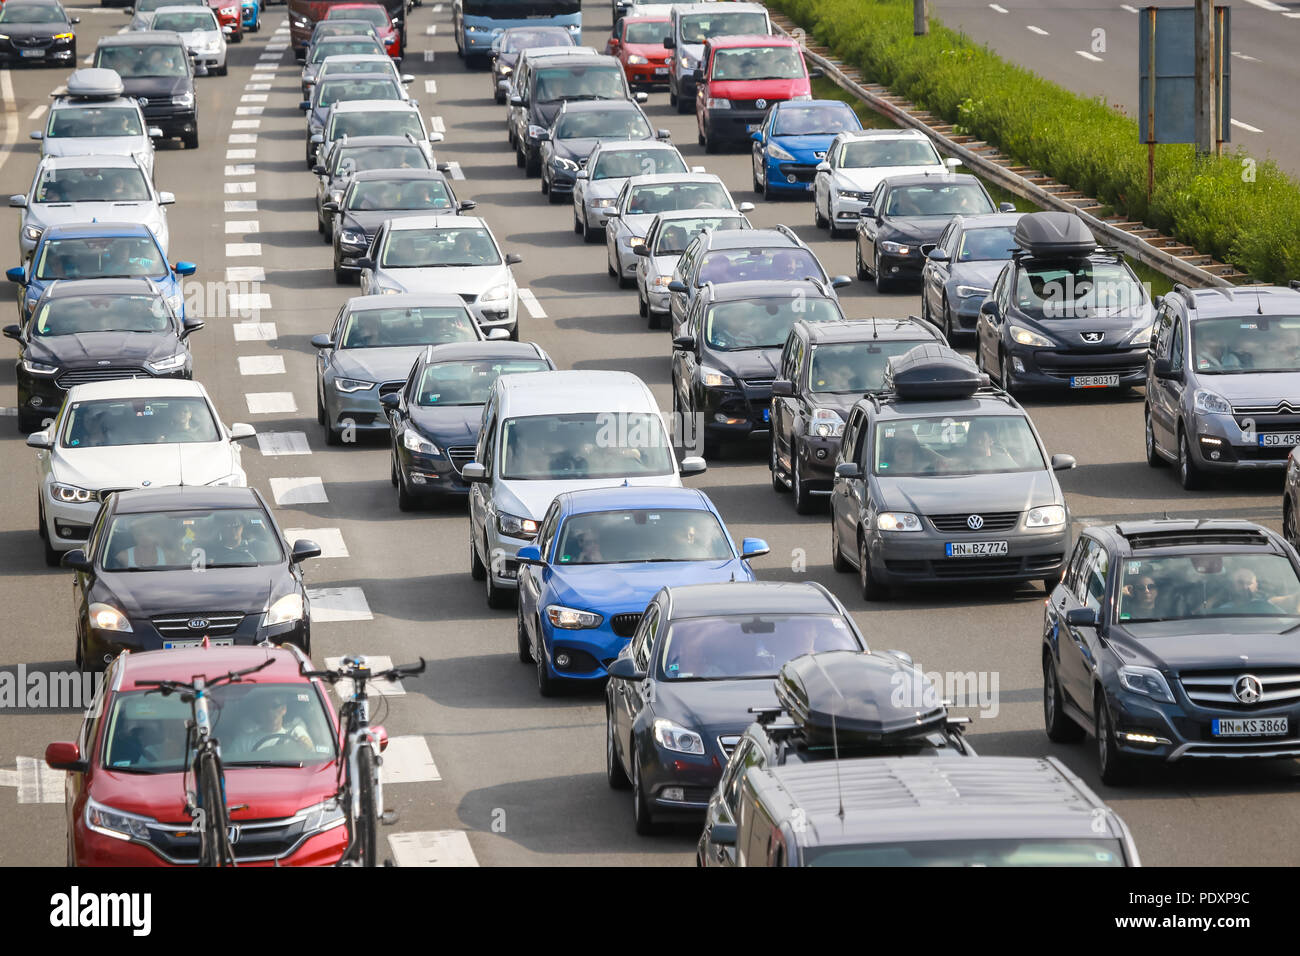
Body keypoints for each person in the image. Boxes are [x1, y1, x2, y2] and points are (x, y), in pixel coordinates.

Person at [236, 691, 315, 753]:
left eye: (274, 706)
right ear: (258, 712)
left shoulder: (296, 733)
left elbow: (312, 757)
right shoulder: (244, 741)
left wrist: (307, 746)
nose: (269, 712)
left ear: (284, 709)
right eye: (264, 707)